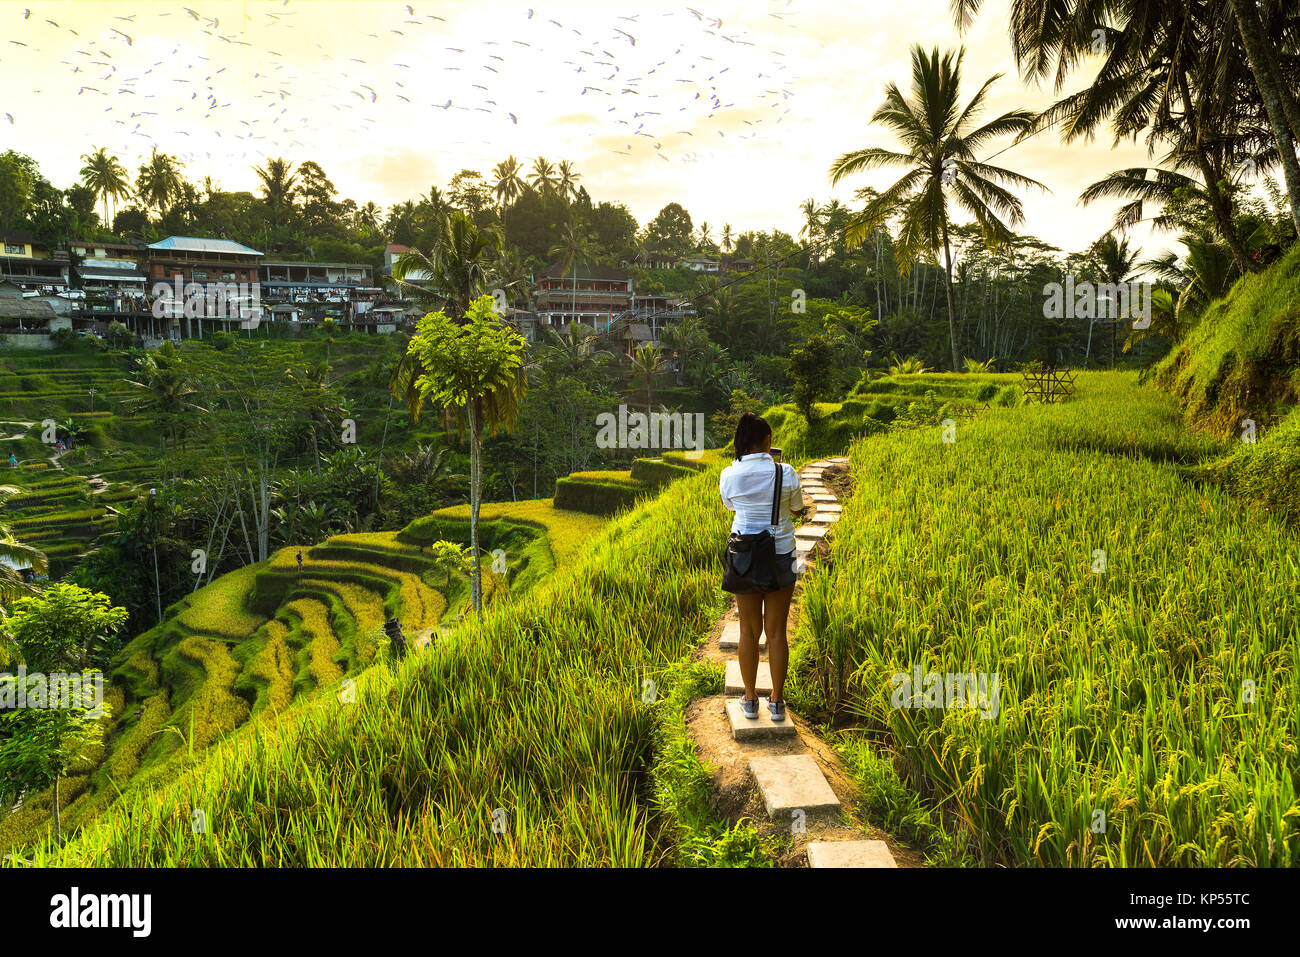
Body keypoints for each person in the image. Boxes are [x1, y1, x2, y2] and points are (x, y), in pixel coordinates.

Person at [719, 413, 805, 721]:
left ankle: (751, 699)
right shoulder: (787, 472)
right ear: (768, 441)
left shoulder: (729, 474)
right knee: (777, 632)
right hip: (781, 553)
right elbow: (797, 509)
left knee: (748, 630)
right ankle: (778, 703)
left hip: (744, 557)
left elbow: (731, 505)